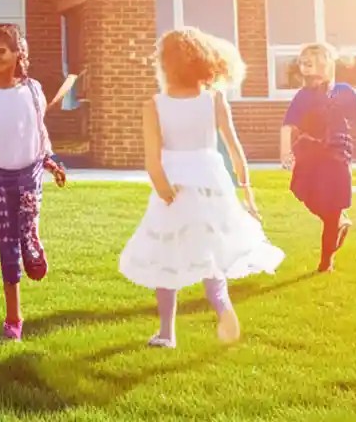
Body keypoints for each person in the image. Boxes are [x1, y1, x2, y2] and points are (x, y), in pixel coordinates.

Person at [118, 28, 284, 349]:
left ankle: (167, 333)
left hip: (175, 183)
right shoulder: (214, 99)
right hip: (211, 181)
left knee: (167, 255)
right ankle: (222, 306)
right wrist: (247, 192)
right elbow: (235, 150)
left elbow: (152, 161)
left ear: (166, 64)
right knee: (210, 252)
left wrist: (165, 192)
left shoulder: (154, 105)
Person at [0, 24, 68, 341]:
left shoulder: (33, 90)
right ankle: (13, 318)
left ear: (18, 53)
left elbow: (40, 131)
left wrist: (51, 162)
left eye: (1, 50)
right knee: (6, 248)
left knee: (24, 232)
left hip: (29, 173)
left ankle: (33, 242)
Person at [280, 41, 356, 273]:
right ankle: (338, 221)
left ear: (326, 63)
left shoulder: (344, 92)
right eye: (303, 61)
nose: (304, 65)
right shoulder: (303, 95)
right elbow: (288, 125)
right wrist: (285, 152)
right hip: (309, 152)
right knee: (300, 190)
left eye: (311, 60)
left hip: (337, 154)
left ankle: (326, 263)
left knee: (332, 209)